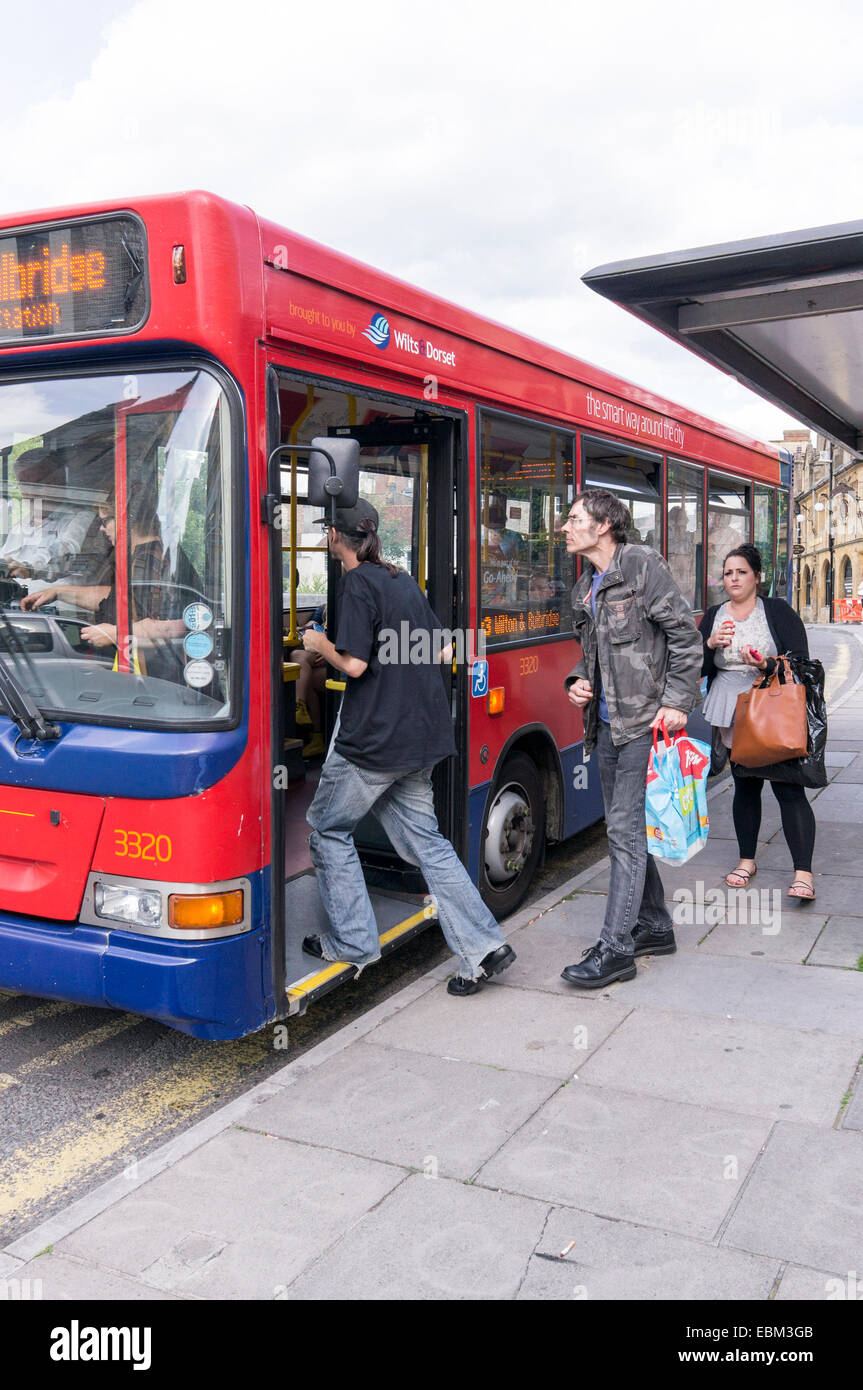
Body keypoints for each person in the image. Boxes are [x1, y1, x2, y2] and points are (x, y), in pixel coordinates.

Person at [300, 499, 516, 995]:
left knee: (326, 829)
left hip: (372, 745)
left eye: (326, 531)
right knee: (429, 846)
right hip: (419, 740)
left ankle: (352, 944)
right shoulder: (401, 579)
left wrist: (318, 645)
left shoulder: (356, 584)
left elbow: (353, 666)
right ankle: (484, 948)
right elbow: (442, 649)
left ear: (336, 535)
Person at [561, 489, 703, 987]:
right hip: (606, 726)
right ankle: (656, 927)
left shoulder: (640, 565)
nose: (565, 527)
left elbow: (685, 636)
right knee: (628, 831)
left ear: (603, 525)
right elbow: (594, 653)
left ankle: (616, 949)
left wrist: (678, 702)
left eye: (574, 518)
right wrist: (577, 681)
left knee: (622, 834)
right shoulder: (586, 587)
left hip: (647, 723)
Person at [699, 543, 817, 900]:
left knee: (787, 787)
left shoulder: (777, 611)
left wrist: (765, 664)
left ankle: (803, 873)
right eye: (728, 573)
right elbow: (699, 670)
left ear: (757, 577)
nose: (733, 578)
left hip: (773, 706)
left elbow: (802, 661)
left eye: (741, 572)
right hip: (732, 712)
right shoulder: (715, 614)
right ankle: (747, 860)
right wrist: (708, 644)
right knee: (745, 786)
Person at [22, 489, 202, 683]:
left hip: (164, 683)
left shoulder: (150, 563)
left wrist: (114, 633)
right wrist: (57, 592)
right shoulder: (145, 556)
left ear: (127, 520)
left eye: (105, 521)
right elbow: (118, 597)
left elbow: (175, 626)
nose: (101, 529)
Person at [0, 447, 96, 585]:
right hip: (14, 602)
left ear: (60, 480)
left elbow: (66, 551)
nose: (30, 492)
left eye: (38, 484)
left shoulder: (81, 518)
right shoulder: (21, 525)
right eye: (24, 484)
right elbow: (5, 560)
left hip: (57, 605)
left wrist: (30, 569)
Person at [290, 602, 328, 758]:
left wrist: (331, 652)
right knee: (307, 679)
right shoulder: (324, 608)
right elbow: (314, 624)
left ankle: (299, 707)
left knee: (297, 657)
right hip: (326, 654)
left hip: (345, 661)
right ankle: (316, 736)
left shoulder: (360, 605)